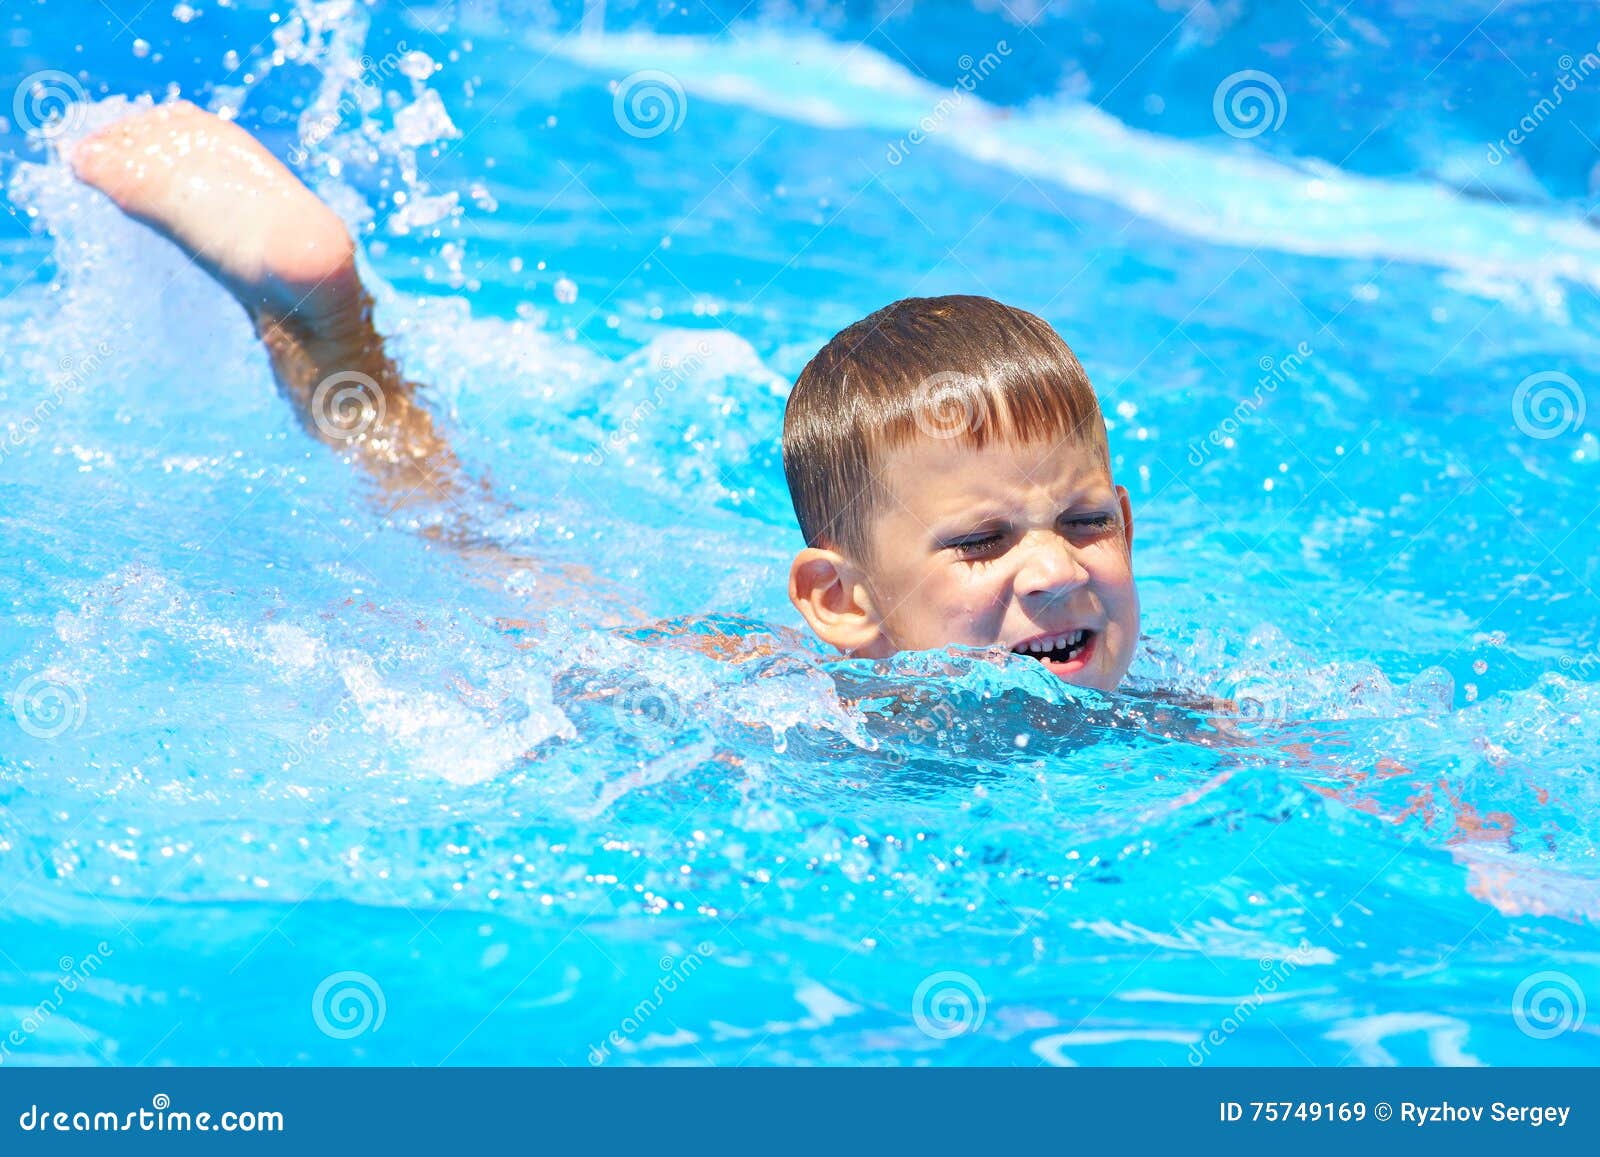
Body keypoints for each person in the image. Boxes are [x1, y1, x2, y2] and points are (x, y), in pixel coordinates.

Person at [71, 100, 1138, 692]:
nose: (1055, 570)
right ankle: (318, 319)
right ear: (842, 599)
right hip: (611, 652)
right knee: (449, 520)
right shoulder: (791, 717)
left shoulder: (1161, 714)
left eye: (1084, 520)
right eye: (981, 541)